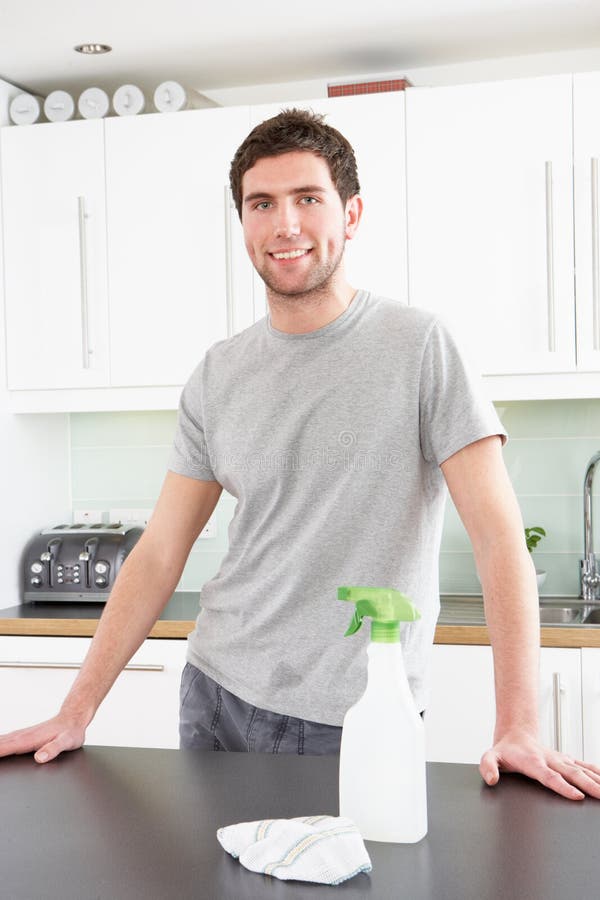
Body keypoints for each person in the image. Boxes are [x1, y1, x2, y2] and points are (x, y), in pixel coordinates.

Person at [1, 109, 599, 802]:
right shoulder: (219, 373)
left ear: (351, 214)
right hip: (214, 693)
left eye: (307, 199)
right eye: (262, 204)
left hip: (352, 717)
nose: (284, 224)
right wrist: (76, 711)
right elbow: (161, 550)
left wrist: (518, 724)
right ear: (245, 223)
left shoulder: (421, 347)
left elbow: (500, 540)